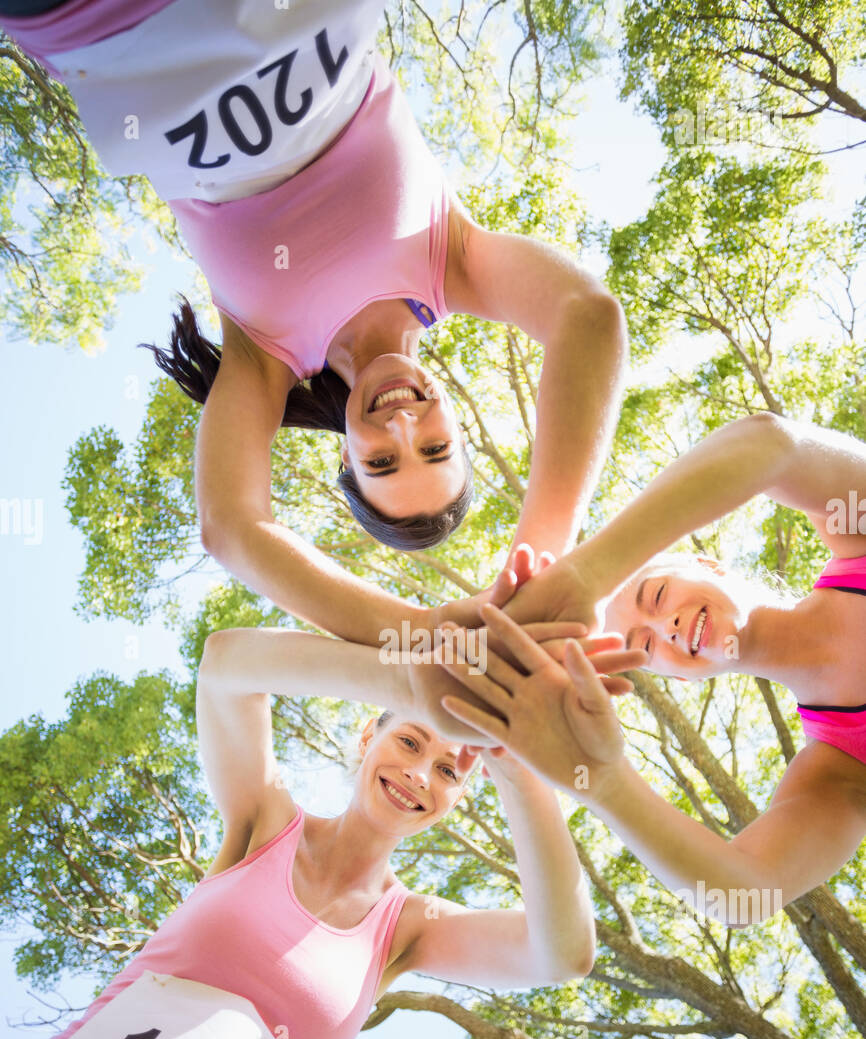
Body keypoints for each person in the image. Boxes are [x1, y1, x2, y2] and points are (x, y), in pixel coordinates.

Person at [0, 612, 641, 1039]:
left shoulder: (408, 929)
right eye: (409, 738)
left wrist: (517, 760)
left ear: (459, 797)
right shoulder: (265, 821)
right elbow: (224, 666)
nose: (421, 772)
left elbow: (564, 953)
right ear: (367, 735)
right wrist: (409, 672)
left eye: (451, 769)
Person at [2, 0, 627, 640]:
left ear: (349, 459)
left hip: (97, 26)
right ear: (462, 427)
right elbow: (590, 317)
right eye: (437, 449)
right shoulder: (452, 264)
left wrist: (421, 637)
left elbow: (232, 527)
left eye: (382, 462)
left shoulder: (265, 356)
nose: (404, 427)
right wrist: (541, 567)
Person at [442, 414, 866, 922]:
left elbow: (772, 444)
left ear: (709, 565)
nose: (665, 627)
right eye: (644, 644)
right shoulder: (840, 770)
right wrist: (602, 779)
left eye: (657, 595)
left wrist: (587, 574)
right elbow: (741, 896)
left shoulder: (856, 531)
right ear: (683, 680)